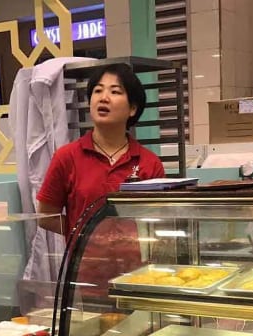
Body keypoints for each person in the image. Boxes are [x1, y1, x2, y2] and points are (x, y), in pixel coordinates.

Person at [35, 63, 165, 239]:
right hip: (84, 257)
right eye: (97, 91)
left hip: (135, 257)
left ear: (132, 109)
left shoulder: (149, 163)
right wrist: (85, 235)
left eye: (115, 92)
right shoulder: (66, 157)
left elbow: (160, 220)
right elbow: (46, 217)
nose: (103, 98)